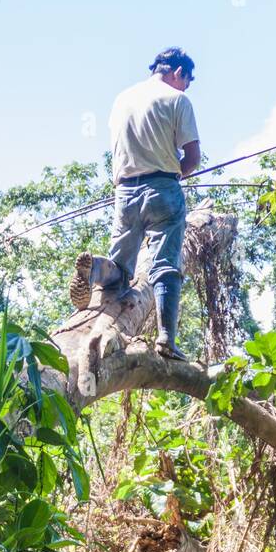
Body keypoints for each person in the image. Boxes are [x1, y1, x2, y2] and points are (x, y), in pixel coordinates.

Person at [69, 48, 200, 361]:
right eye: (187, 81)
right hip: (163, 190)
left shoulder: (122, 99)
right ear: (179, 72)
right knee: (166, 265)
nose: (185, 88)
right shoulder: (177, 100)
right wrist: (174, 174)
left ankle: (95, 268)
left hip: (124, 194)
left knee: (121, 269)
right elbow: (192, 158)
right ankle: (167, 339)